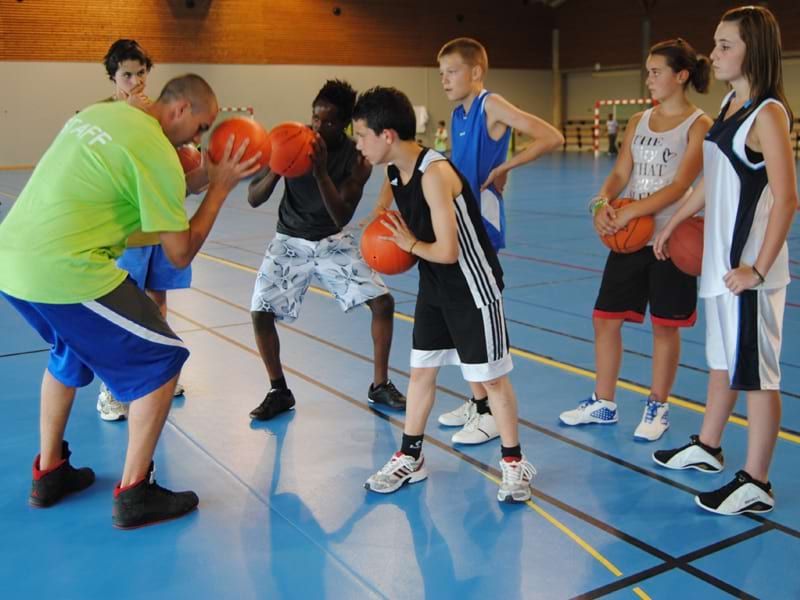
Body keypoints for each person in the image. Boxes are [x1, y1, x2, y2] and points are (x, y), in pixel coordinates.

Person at [0, 74, 261, 528]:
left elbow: (146, 184)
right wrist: (219, 190)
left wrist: (205, 176)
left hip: (12, 261)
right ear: (180, 110)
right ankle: (136, 493)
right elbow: (179, 251)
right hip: (66, 271)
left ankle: (50, 472)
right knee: (163, 359)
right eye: (201, 127)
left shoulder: (103, 115)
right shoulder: (156, 150)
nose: (199, 139)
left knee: (69, 349)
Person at [354, 86, 535, 503]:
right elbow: (395, 212)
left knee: (491, 379)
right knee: (422, 372)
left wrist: (408, 243)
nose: (358, 144)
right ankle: (411, 456)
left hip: (472, 285)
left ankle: (514, 462)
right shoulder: (394, 170)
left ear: (387, 135)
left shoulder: (434, 173)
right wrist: (377, 226)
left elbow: (448, 251)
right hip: (434, 285)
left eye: (362, 135)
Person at [652, 6, 796, 515]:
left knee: (757, 377)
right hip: (718, 269)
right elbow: (713, 179)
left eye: (725, 45)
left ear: (753, 51)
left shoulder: (768, 114)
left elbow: (787, 198)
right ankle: (709, 447)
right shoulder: (732, 103)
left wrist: (757, 268)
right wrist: (672, 221)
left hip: (747, 275)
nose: (713, 54)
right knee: (721, 362)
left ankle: (757, 481)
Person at [559, 39, 713, 442]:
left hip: (670, 237)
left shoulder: (699, 125)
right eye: (648, 72)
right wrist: (601, 203)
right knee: (604, 318)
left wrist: (632, 212)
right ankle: (604, 403)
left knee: (665, 327)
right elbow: (620, 173)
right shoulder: (638, 121)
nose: (649, 79)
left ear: (681, 76)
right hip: (630, 239)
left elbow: (680, 185)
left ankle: (657, 406)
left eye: (656, 72)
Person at [432, 37, 564, 446]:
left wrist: (506, 166)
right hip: (458, 223)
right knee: (458, 317)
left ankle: (491, 412)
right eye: (441, 73)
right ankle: (479, 401)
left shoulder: (491, 105)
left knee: (478, 320)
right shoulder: (458, 113)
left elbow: (551, 136)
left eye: (452, 71)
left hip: (481, 227)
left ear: (475, 72)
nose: (445, 80)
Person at [247, 80, 405, 421]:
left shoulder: (357, 158)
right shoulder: (291, 140)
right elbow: (253, 198)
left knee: (383, 303)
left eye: (329, 122)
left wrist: (319, 172)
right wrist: (278, 168)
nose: (318, 127)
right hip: (289, 240)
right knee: (260, 312)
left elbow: (341, 215)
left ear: (345, 123)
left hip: (332, 240)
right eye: (315, 118)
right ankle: (279, 390)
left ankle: (380, 384)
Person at [95, 39, 207, 421]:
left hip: (159, 229)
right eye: (127, 74)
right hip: (124, 234)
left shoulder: (159, 115)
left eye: (141, 73)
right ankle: (112, 388)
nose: (136, 81)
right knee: (121, 313)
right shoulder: (103, 114)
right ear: (113, 77)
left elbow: (181, 170)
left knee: (156, 305)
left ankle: (156, 376)